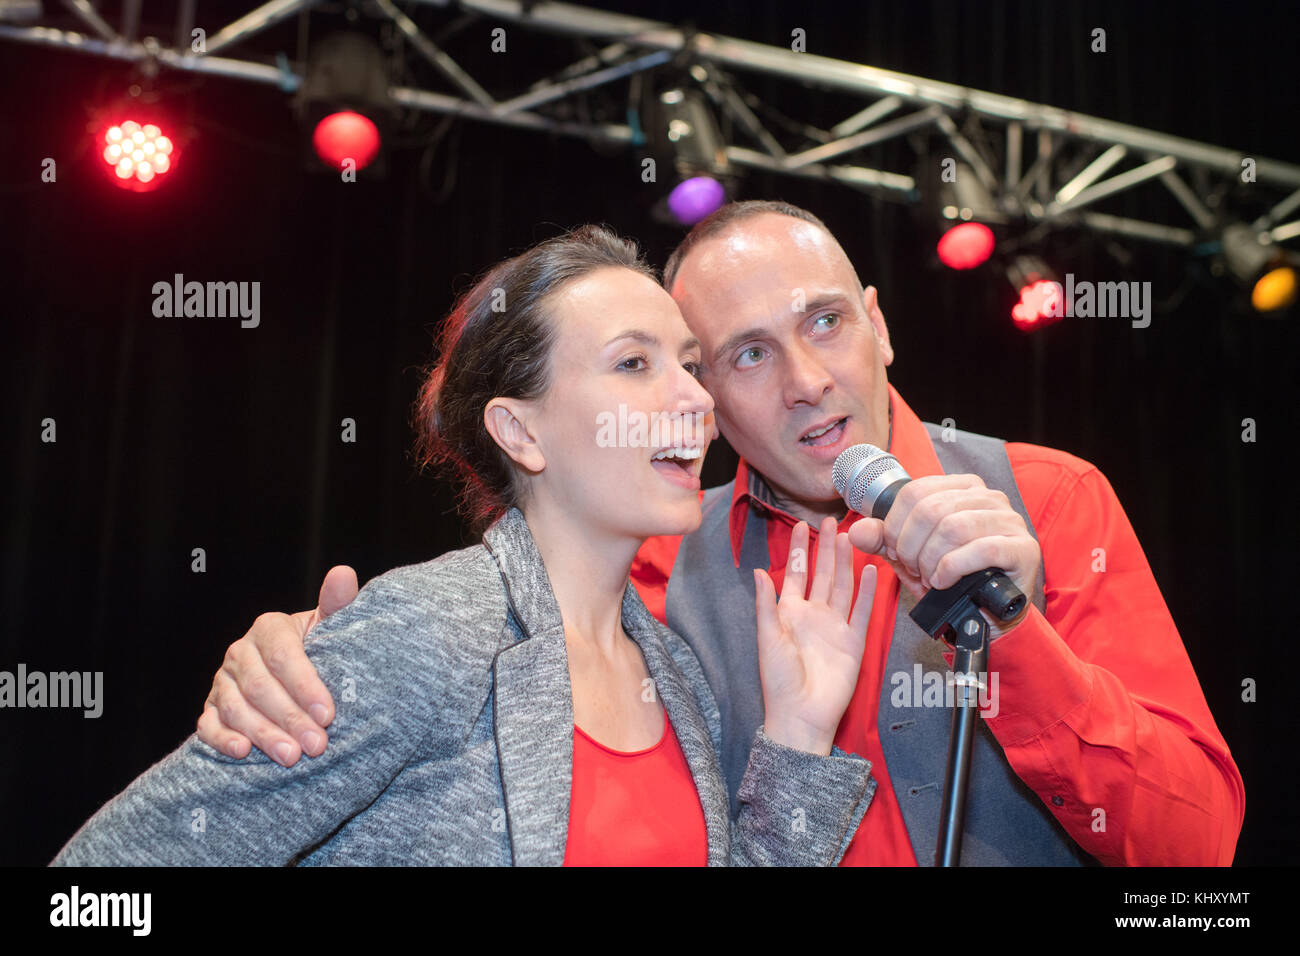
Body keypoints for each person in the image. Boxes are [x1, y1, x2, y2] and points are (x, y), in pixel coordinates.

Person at [197, 201, 1246, 866]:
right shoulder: (647, 560)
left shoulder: (1046, 500)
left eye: (825, 320)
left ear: (879, 320)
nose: (806, 380)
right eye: (744, 354)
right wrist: (299, 658)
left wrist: (1014, 642)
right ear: (703, 395)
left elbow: (1194, 850)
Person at [51, 225, 880, 867]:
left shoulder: (677, 674)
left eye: (691, 364)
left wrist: (801, 736)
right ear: (520, 431)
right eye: (634, 363)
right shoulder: (430, 633)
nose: (694, 398)